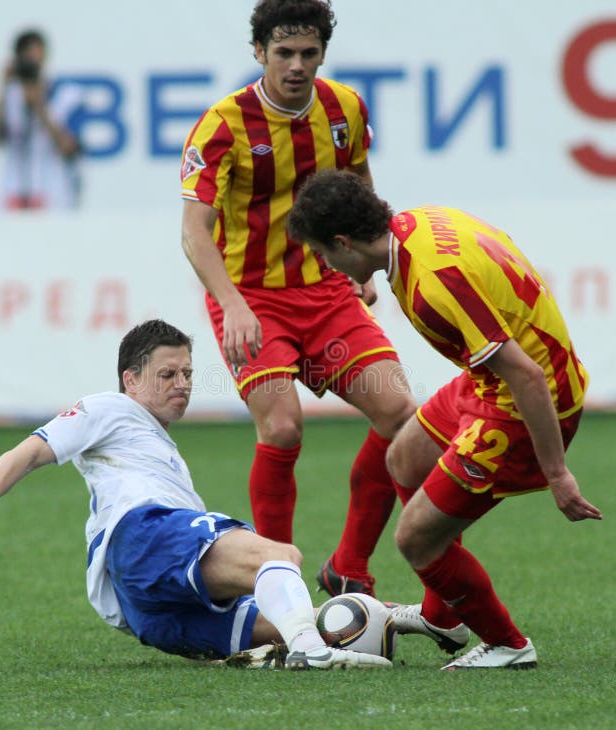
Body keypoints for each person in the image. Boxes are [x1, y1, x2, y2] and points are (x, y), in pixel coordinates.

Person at [0, 319, 391, 671]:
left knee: (300, 620)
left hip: (144, 610)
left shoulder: (159, 446)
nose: (183, 384)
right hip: (144, 537)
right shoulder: (109, 408)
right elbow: (31, 451)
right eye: (168, 374)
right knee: (280, 556)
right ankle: (310, 655)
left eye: (186, 373)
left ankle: (384, 622)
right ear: (131, 380)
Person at [287, 169, 603, 670]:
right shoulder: (417, 225)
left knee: (414, 538)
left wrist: (557, 473)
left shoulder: (433, 282)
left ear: (344, 243)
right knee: (404, 458)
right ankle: (443, 615)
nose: (327, 265)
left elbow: (524, 375)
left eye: (325, 254)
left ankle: (508, 645)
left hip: (527, 400)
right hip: (492, 381)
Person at [180, 0, 415, 598]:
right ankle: (274, 585)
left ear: (322, 55)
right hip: (251, 297)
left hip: (326, 290)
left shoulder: (345, 110)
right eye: (283, 52)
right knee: (282, 427)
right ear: (258, 52)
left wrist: (361, 260)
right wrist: (233, 305)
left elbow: (359, 188)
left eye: (309, 53)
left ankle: (349, 569)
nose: (296, 65)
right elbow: (193, 232)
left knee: (399, 414)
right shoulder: (222, 125)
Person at [0, 28, 82, 210]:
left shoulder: (65, 95)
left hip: (52, 191)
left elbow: (69, 148)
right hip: (14, 190)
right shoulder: (11, 97)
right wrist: (3, 89)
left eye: (37, 55)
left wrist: (39, 106)